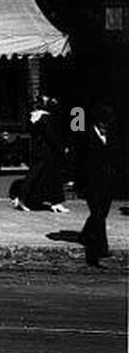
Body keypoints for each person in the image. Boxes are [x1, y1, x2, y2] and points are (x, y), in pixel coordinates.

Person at [13, 92, 66, 212]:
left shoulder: (33, 117)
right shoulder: (46, 118)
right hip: (48, 151)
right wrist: (61, 148)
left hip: (37, 150)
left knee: (36, 175)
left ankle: (25, 198)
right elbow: (51, 136)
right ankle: (54, 201)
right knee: (48, 176)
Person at [79, 106, 115, 267]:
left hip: (107, 182)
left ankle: (85, 235)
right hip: (91, 183)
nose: (105, 127)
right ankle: (98, 250)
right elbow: (79, 161)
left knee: (101, 213)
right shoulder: (86, 136)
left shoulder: (111, 136)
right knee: (98, 214)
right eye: (103, 124)